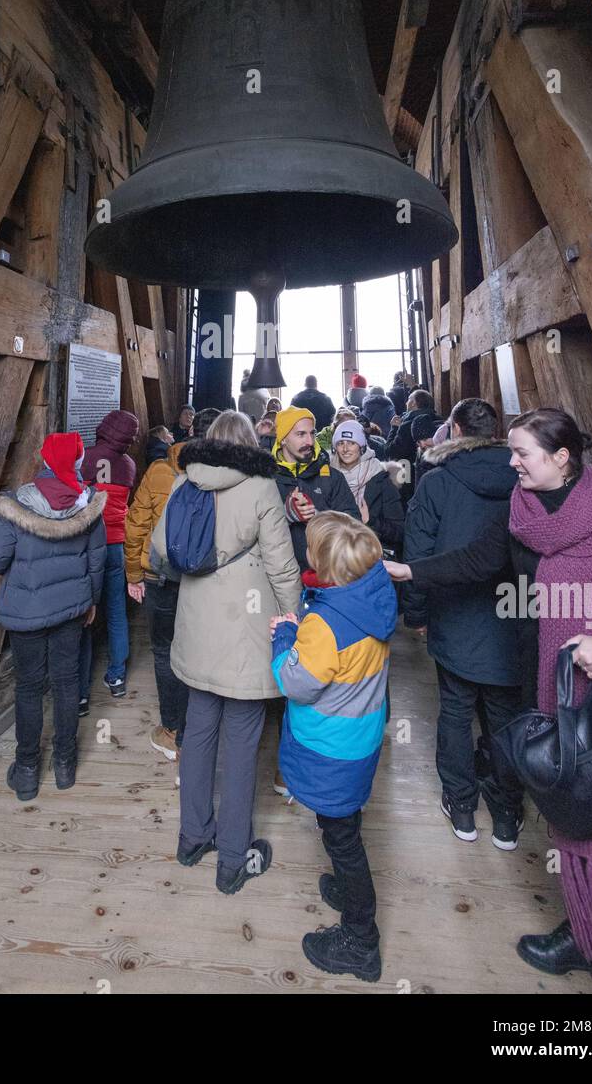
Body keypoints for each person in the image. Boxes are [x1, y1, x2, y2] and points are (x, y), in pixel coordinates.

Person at [385, 408, 592, 991]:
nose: (511, 462)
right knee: (577, 810)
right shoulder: (521, 515)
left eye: (521, 453)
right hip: (558, 691)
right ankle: (590, 932)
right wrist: (407, 569)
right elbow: (475, 562)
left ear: (562, 458)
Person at [152, 411, 300, 894]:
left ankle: (192, 837)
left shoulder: (183, 482)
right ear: (249, 444)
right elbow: (282, 567)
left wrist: (194, 578)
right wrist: (293, 619)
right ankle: (234, 858)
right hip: (246, 633)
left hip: (197, 626)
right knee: (242, 743)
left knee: (196, 733)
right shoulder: (261, 488)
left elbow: (159, 552)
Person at [271, 511, 397, 982]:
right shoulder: (376, 594)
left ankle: (360, 941)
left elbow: (296, 682)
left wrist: (285, 637)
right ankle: (350, 890)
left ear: (323, 565)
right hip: (361, 739)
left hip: (331, 748)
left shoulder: (325, 624)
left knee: (342, 838)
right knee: (346, 823)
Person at [401, 397, 523, 849]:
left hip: (454, 613)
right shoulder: (526, 481)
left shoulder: (437, 482)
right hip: (514, 615)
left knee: (454, 710)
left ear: (453, 430)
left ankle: (462, 807)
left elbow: (418, 553)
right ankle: (508, 813)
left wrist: (415, 613)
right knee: (506, 718)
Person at [0, 431, 106, 799]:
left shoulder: (17, 505)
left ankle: (26, 771)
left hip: (26, 613)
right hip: (72, 609)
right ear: (79, 462)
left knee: (30, 687)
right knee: (67, 684)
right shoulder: (90, 505)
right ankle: (65, 766)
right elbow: (96, 561)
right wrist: (92, 601)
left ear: (46, 460)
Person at [124, 433, 188, 762]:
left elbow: (135, 525)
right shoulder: (217, 475)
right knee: (199, 651)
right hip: (201, 581)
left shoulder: (159, 471)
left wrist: (133, 574)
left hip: (159, 577)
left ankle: (173, 731)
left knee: (164, 652)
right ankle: (202, 729)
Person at [79, 409, 138, 706]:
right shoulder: (128, 464)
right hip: (117, 544)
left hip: (89, 545)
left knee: (85, 615)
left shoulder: (86, 458)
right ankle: (116, 677)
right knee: (116, 613)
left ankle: (80, 693)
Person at [272, 406, 360, 570]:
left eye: (312, 433)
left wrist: (318, 517)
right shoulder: (267, 479)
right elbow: (250, 532)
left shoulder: (331, 477)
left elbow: (354, 525)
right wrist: (285, 515)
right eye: (301, 434)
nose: (310, 441)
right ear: (283, 439)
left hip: (327, 575)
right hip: (281, 577)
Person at [331, 418, 404, 553]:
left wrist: (370, 521)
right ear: (335, 448)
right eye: (341, 443)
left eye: (352, 443)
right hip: (335, 556)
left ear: (362, 446)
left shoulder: (381, 479)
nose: (345, 449)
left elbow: (399, 531)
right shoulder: (328, 477)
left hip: (370, 555)